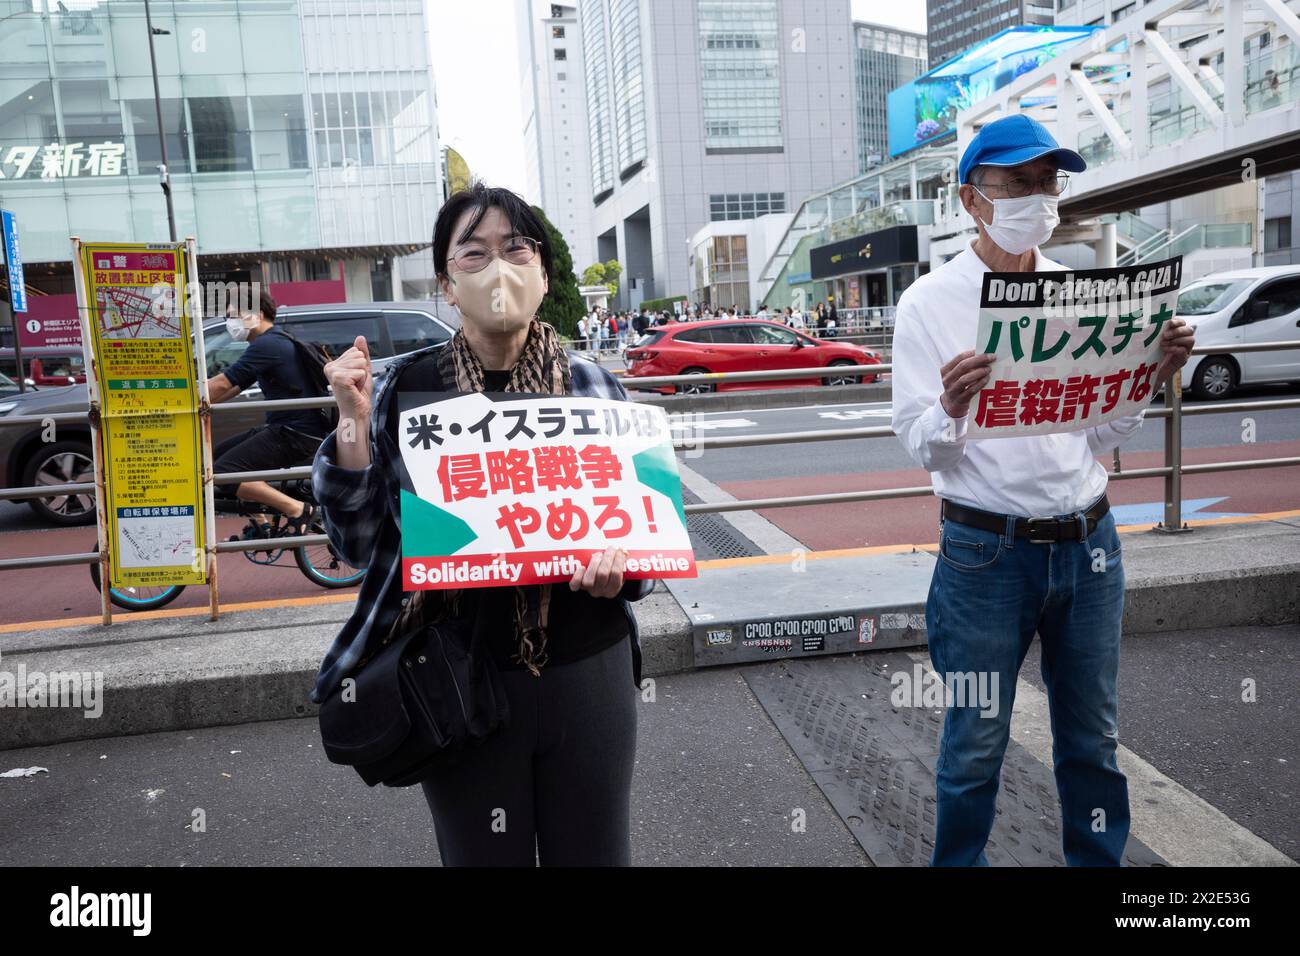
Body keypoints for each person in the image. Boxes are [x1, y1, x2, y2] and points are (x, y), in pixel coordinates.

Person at [310, 183, 655, 866]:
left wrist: (624, 565)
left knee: (597, 854)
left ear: (544, 271)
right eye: (474, 253)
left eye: (515, 248)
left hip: (589, 671)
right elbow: (354, 544)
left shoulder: (592, 387)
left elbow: (643, 544)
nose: (499, 267)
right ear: (446, 281)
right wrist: (350, 422)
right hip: (455, 675)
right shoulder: (405, 393)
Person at [890, 114, 1194, 867]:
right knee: (974, 746)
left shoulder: (1082, 294)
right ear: (972, 199)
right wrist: (952, 408)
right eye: (1018, 182)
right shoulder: (929, 303)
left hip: (1089, 542)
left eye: (1049, 182)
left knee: (1093, 741)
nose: (1039, 197)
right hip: (983, 554)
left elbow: (1099, 436)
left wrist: (1146, 377)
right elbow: (914, 441)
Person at [205, 289, 328, 535]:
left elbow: (222, 384)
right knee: (215, 457)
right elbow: (233, 386)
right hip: (289, 429)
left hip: (295, 434)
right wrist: (201, 403)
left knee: (223, 471)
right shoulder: (274, 340)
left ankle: (296, 508)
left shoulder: (267, 345)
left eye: (235, 316)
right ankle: (261, 524)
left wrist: (178, 397)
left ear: (258, 314)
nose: (231, 323)